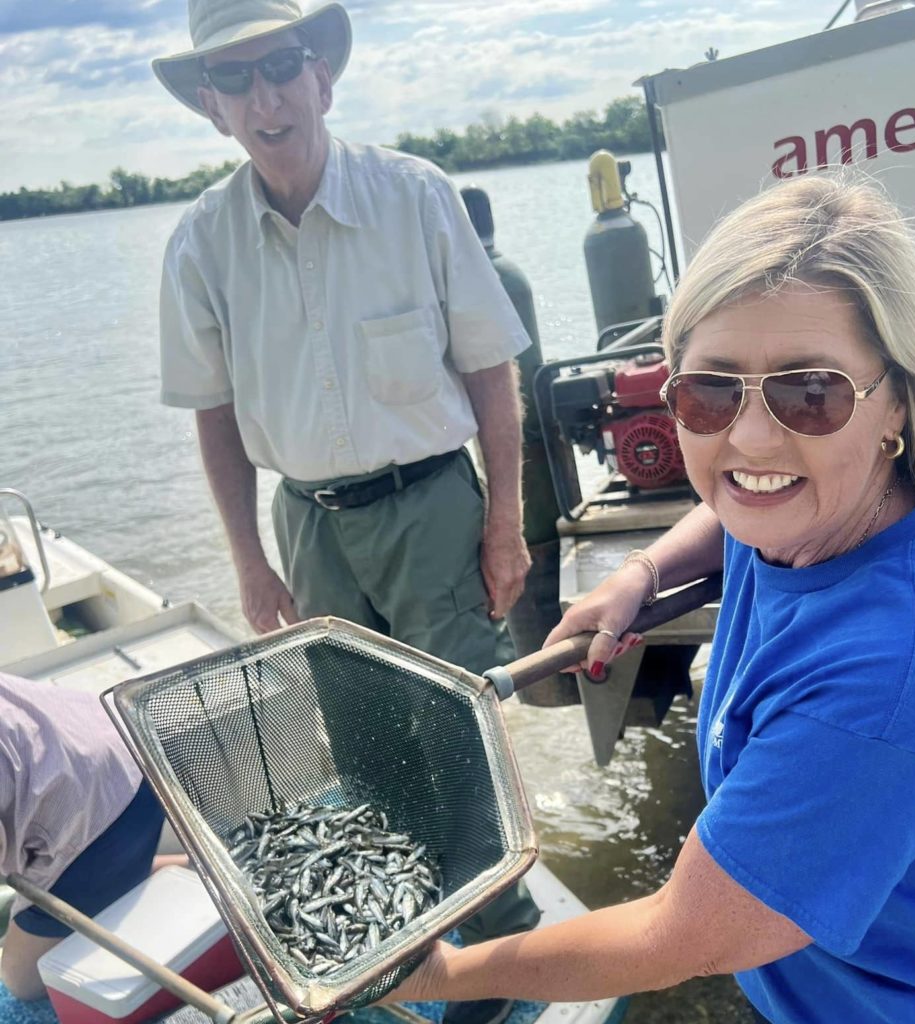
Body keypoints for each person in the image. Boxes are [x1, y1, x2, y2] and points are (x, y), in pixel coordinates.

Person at [385, 173, 915, 1023]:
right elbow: (737, 501)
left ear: (894, 401)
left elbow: (676, 938)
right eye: (708, 391)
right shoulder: (808, 506)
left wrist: (437, 975)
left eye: (811, 393)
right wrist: (638, 575)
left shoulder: (893, 676)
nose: (751, 437)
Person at [153, 3, 538, 1018]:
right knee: (364, 739)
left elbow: (491, 373)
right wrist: (246, 559)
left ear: (323, 75)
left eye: (282, 66)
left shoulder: (414, 195)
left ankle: (504, 949)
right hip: (308, 519)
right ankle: (416, 923)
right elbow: (215, 416)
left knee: (459, 720)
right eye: (236, 80)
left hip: (432, 507)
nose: (265, 97)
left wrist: (506, 521)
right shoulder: (201, 239)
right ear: (211, 106)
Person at [0, 672, 181, 1002]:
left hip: (108, 804)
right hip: (110, 733)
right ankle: (175, 868)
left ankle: (180, 878)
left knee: (22, 980)